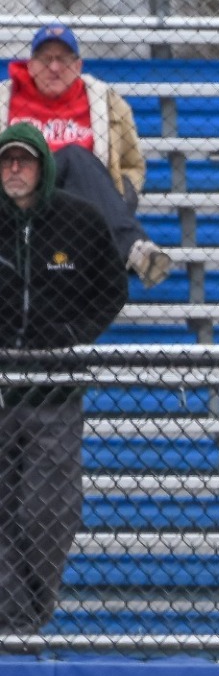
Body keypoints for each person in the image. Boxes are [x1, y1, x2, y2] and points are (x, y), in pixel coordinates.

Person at [0, 122, 128, 634]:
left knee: (48, 511)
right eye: (6, 161)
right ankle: (15, 622)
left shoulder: (81, 219)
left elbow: (113, 289)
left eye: (24, 161)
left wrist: (75, 333)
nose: (14, 169)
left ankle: (28, 612)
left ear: (43, 167)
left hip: (56, 391)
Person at [1, 23, 171, 287]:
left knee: (78, 163)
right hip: (16, 201)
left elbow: (131, 163)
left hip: (78, 212)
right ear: (31, 65)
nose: (54, 67)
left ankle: (134, 252)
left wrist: (121, 195)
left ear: (78, 66)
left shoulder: (106, 102)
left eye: (63, 60)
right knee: (73, 156)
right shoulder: (4, 98)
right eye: (46, 59)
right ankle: (132, 246)